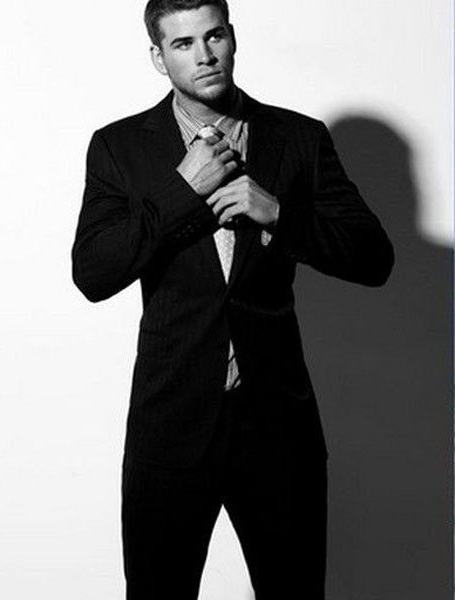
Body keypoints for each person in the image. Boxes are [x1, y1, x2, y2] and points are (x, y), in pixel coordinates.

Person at [71, 0, 394, 598]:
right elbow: (93, 273)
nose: (204, 55)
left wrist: (279, 214)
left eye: (213, 36)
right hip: (170, 426)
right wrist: (182, 188)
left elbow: (374, 259)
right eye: (183, 43)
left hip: (278, 428)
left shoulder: (298, 138)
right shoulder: (120, 147)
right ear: (158, 57)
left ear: (232, 37)